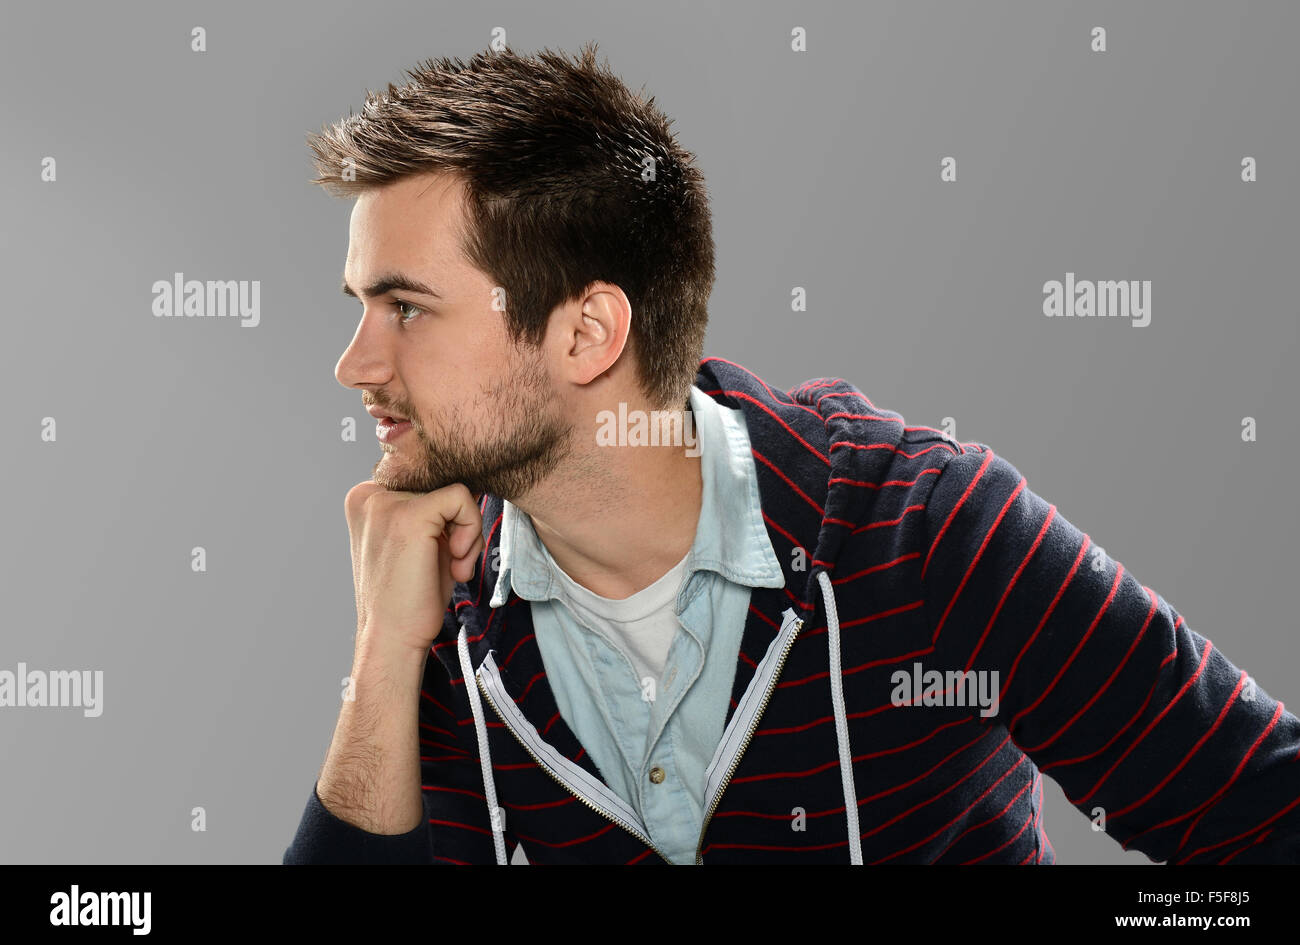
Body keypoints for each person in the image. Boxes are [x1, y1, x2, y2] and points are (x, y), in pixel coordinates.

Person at [283, 43, 1300, 864]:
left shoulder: (924, 528)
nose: (353, 364)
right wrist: (381, 657)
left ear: (587, 334)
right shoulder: (437, 603)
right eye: (361, 308)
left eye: (406, 308)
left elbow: (1262, 816)